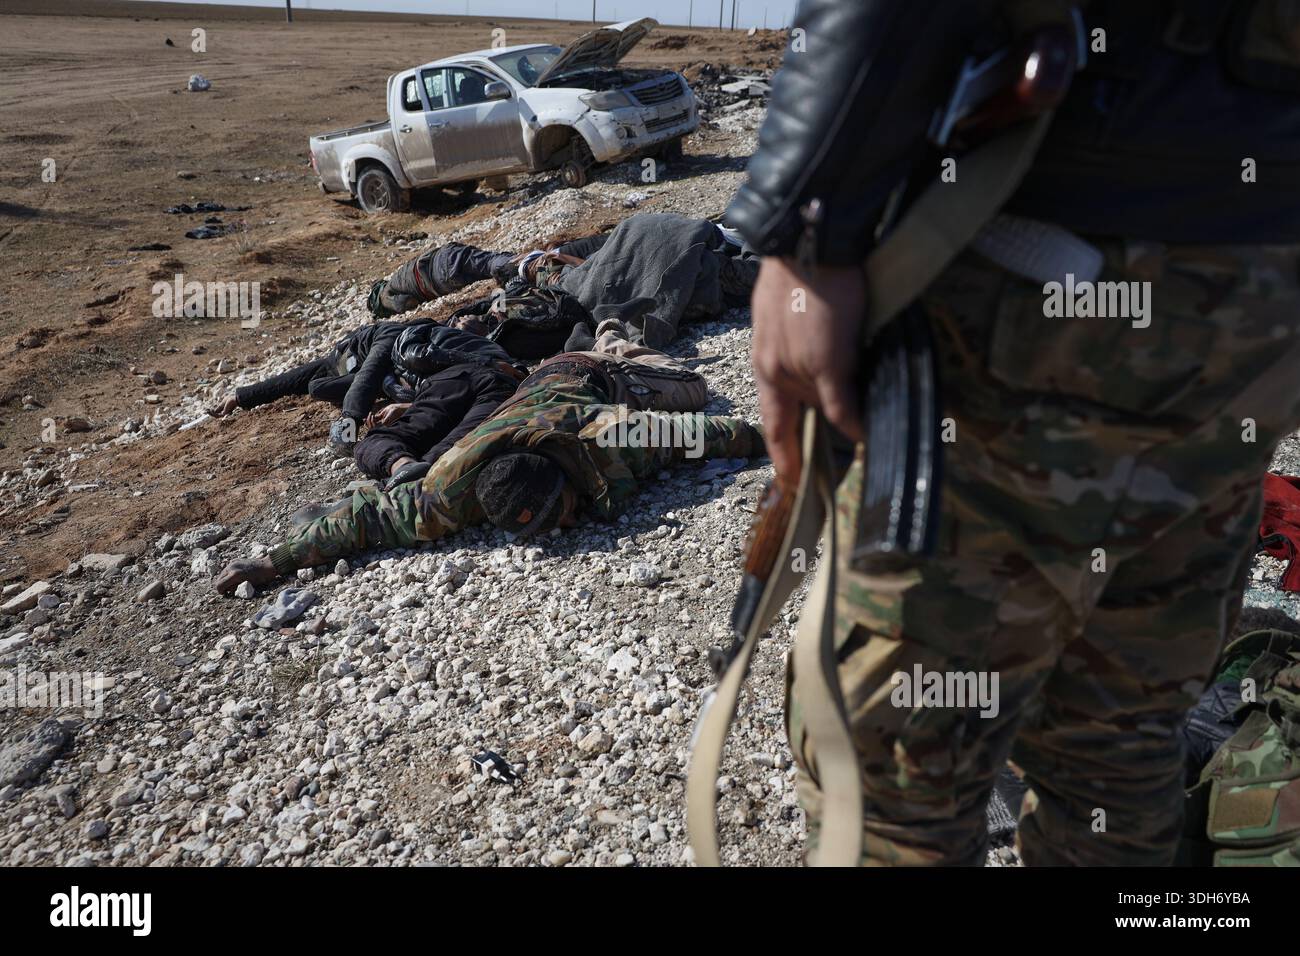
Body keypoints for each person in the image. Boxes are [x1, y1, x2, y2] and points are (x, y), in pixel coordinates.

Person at [729, 0, 1300, 865]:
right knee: (1120, 739)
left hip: (1049, 250)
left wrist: (810, 228)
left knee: (892, 778)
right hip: (1264, 285)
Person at [213, 319, 761, 593]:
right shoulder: (451, 490)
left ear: (567, 486)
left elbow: (701, 432)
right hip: (533, 386)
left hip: (596, 378)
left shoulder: (610, 435)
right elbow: (367, 516)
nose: (566, 528)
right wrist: (274, 562)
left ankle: (614, 330)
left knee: (691, 384)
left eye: (562, 516)